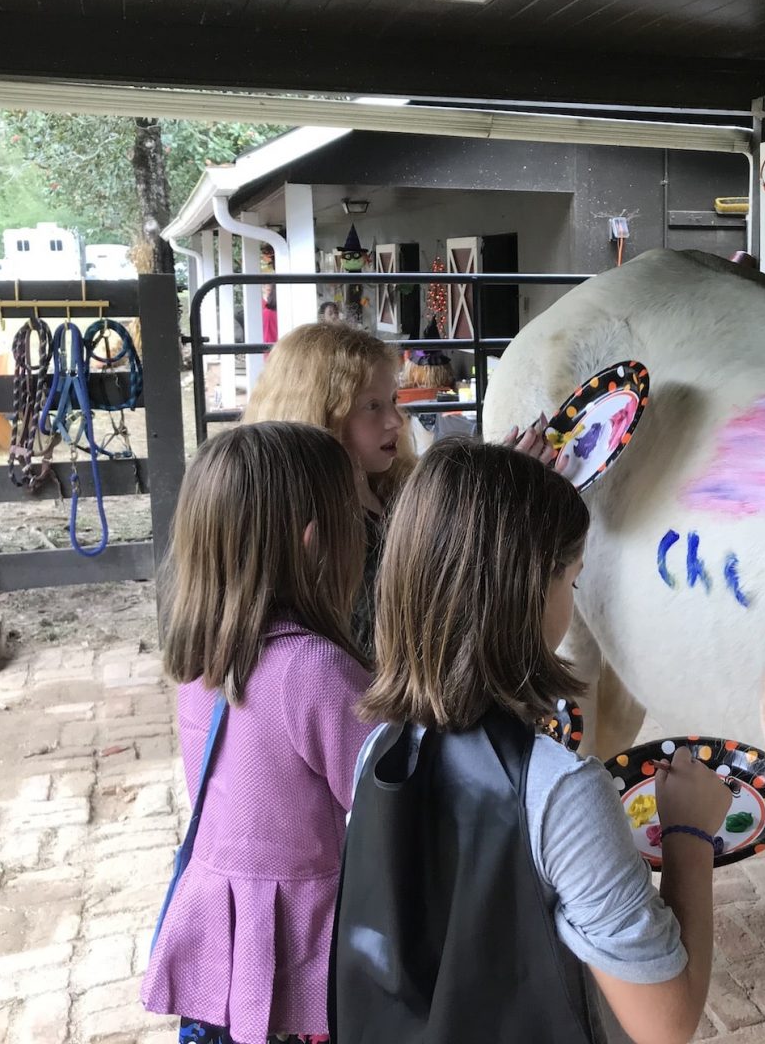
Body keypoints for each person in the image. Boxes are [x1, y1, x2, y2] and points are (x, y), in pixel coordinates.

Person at [332, 440, 731, 1044]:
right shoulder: (564, 794)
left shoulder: (378, 752)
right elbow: (665, 1024)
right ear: (529, 591)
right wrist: (689, 835)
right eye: (571, 580)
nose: (572, 600)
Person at [141, 422, 374, 1044]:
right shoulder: (316, 672)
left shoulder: (202, 659)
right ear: (314, 539)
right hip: (305, 965)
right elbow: (395, 807)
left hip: (225, 954)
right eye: (355, 515)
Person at [242, 324, 416, 660]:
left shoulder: (391, 483)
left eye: (393, 401)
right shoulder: (312, 525)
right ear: (325, 413)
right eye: (372, 406)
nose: (396, 420)